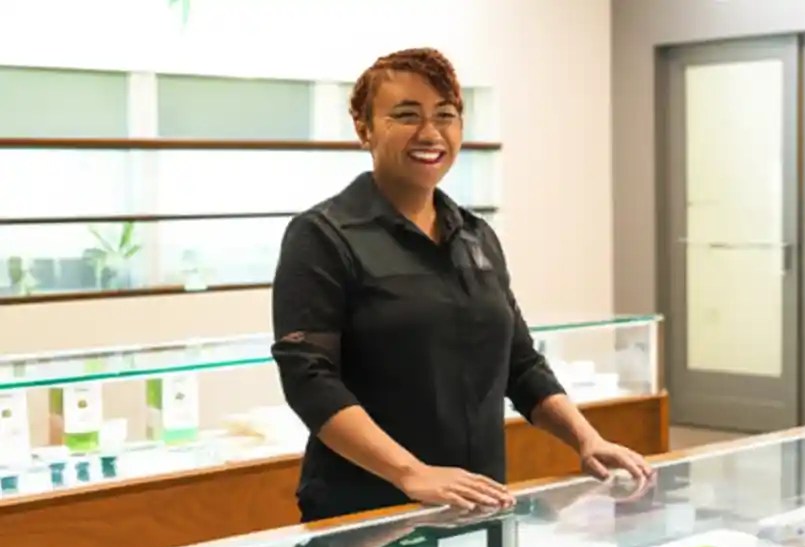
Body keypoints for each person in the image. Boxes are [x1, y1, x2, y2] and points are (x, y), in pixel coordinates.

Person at [271, 47, 653, 523]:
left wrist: (586, 438)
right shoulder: (323, 235)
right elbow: (309, 380)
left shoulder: (475, 235)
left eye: (446, 115)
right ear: (364, 128)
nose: (430, 133)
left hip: (479, 502)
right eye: (406, 115)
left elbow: (521, 363)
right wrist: (410, 472)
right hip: (369, 513)